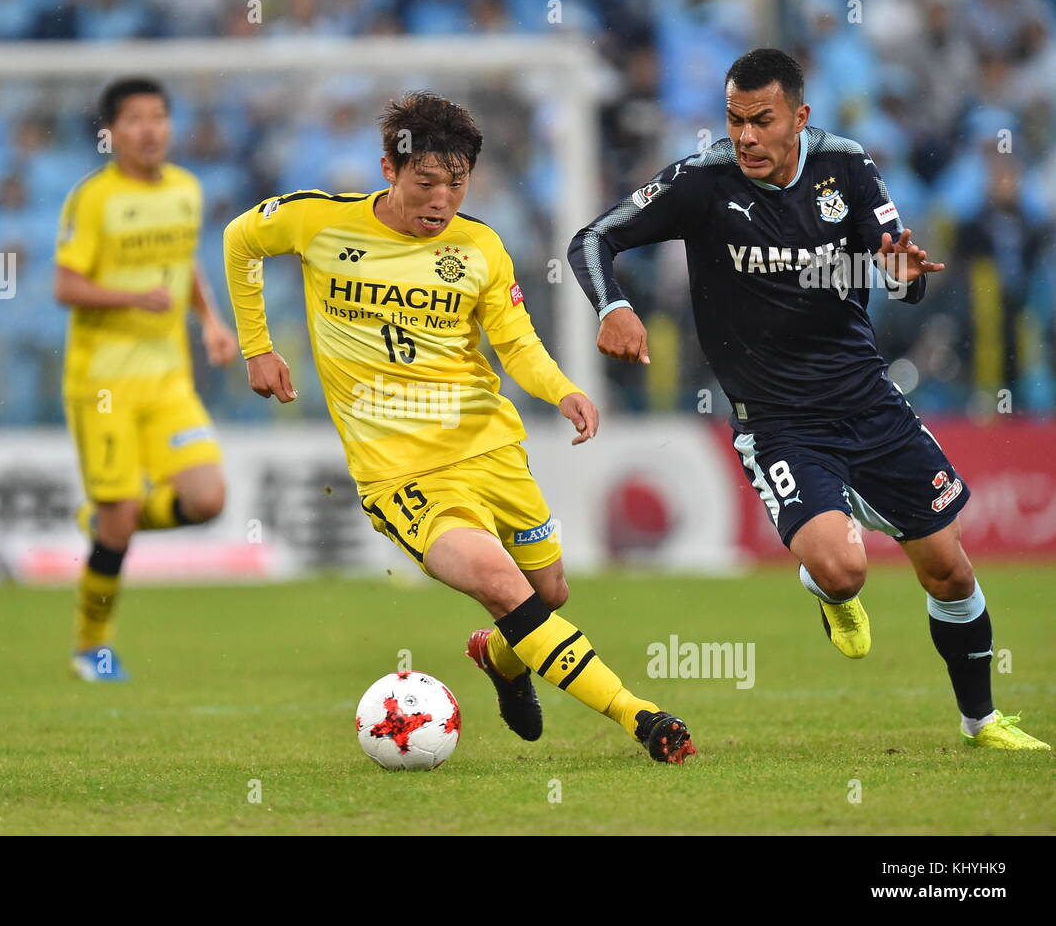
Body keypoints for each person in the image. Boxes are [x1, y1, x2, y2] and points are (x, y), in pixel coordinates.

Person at [568, 48, 1048, 751]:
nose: (746, 137)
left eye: (762, 121)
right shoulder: (703, 182)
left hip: (870, 404)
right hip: (781, 423)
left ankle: (982, 722)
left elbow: (899, 268)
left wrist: (905, 274)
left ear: (801, 116)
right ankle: (829, 591)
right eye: (734, 120)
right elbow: (593, 238)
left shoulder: (847, 167)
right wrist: (611, 305)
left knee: (949, 568)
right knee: (843, 565)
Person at [223, 91, 696, 764]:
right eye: (425, 183)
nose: (440, 201)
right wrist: (256, 346)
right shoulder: (318, 223)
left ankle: (502, 660)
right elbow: (239, 239)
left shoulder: (479, 247)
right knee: (506, 588)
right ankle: (640, 714)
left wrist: (563, 390)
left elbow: (517, 342)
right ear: (389, 167)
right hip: (402, 475)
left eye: (457, 183)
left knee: (547, 593)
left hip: (491, 448)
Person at [55, 77, 237, 681]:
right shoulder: (94, 199)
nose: (150, 129)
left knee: (207, 499)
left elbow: (184, 261)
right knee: (120, 523)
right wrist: (131, 296)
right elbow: (66, 285)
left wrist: (210, 321)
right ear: (111, 133)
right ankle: (91, 646)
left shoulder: (187, 189)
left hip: (168, 380)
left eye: (159, 116)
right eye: (135, 119)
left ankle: (113, 517)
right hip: (102, 383)